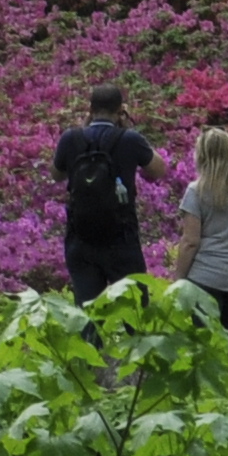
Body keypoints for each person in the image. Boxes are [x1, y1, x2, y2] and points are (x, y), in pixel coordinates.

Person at [163, 125, 228, 356]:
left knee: (206, 347)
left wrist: (179, 278)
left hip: (206, 279)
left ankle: (210, 391)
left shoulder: (196, 191)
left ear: (202, 155)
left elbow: (190, 241)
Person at [51, 86, 157, 298]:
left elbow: (57, 174)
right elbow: (158, 169)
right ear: (121, 110)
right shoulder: (129, 139)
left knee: (89, 314)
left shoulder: (71, 138)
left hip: (80, 239)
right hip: (121, 238)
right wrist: (127, 129)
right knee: (135, 309)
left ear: (90, 109)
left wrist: (82, 129)